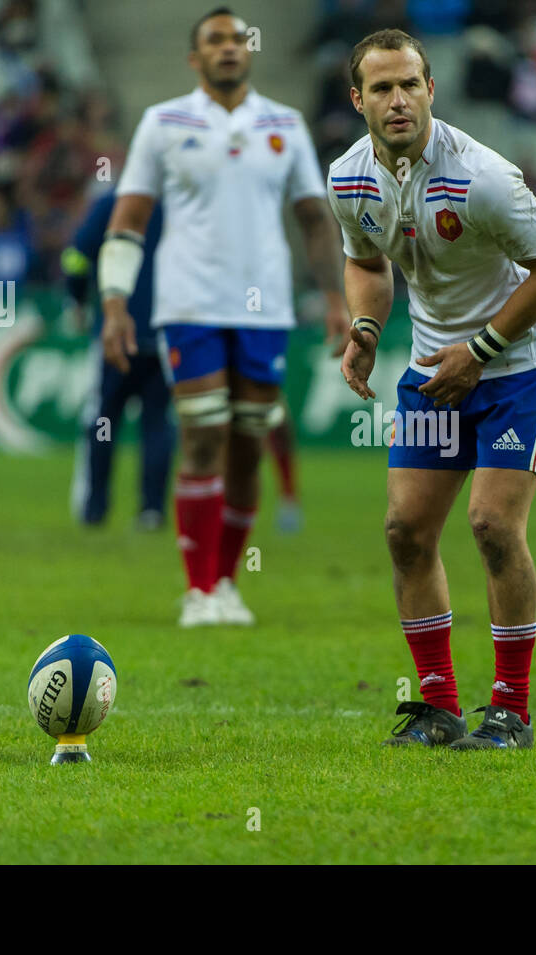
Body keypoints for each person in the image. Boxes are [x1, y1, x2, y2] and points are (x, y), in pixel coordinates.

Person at [331, 29, 536, 749]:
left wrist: (482, 349)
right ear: (358, 100)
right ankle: (438, 707)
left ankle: (512, 710)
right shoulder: (348, 178)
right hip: (436, 372)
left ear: (431, 89)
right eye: (382, 88)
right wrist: (368, 328)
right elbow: (366, 261)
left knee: (492, 525)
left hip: (519, 362)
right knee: (405, 531)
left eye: (410, 84)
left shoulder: (483, 177)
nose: (398, 99)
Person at [99, 7, 348, 626]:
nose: (229, 48)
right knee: (203, 433)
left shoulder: (285, 125)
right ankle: (197, 589)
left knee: (247, 444)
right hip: (190, 303)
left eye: (238, 38)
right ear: (195, 58)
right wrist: (113, 303)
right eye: (215, 40)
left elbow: (315, 221)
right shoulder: (163, 123)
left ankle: (227, 583)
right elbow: (127, 220)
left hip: (267, 308)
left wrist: (339, 300)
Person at [63, 190, 173, 529]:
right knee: (156, 424)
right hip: (165, 332)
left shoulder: (112, 201)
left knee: (104, 421)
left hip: (115, 330)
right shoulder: (178, 202)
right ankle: (151, 510)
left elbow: (76, 256)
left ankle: (95, 507)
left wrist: (77, 299)